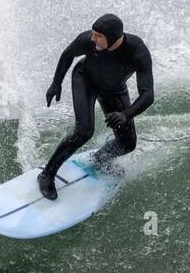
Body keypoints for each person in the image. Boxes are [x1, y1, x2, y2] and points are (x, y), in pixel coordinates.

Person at [38, 14, 154, 200]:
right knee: (84, 131)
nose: (93, 39)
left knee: (127, 144)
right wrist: (56, 83)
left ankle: (100, 158)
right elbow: (68, 55)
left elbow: (148, 94)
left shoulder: (137, 51)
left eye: (98, 36)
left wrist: (126, 114)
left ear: (114, 38)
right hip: (85, 80)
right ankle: (47, 174)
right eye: (93, 34)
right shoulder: (87, 40)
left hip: (114, 91)